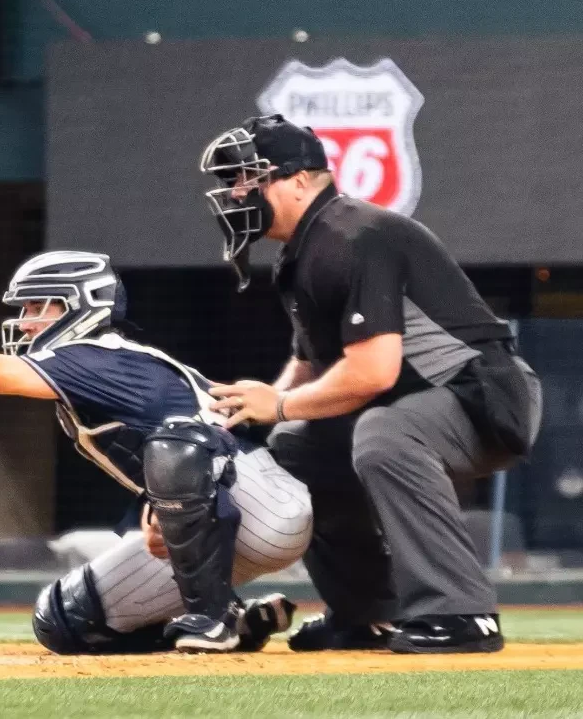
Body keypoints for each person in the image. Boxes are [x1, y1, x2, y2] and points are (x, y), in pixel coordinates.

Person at [0, 250, 311, 653]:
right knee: (63, 621)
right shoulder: (112, 360)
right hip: (235, 509)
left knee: (174, 450)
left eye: (36, 307)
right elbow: (190, 435)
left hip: (264, 508)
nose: (24, 324)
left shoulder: (93, 355)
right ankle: (234, 622)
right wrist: (158, 508)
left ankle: (213, 619)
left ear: (78, 304)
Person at [199, 115, 543, 654]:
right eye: (233, 183)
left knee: (384, 434)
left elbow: (373, 371)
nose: (235, 193)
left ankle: (462, 613)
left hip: (487, 394)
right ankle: (366, 615)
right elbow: (311, 367)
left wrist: (282, 404)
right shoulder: (303, 252)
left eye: (247, 178)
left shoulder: (354, 234)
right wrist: (250, 416)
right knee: (293, 450)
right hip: (412, 402)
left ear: (297, 179)